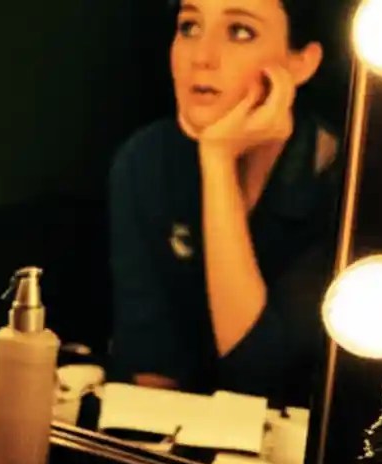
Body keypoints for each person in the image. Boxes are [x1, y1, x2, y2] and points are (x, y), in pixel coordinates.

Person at [108, 0, 342, 407]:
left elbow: (258, 376)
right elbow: (150, 374)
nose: (202, 56)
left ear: (301, 63)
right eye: (190, 26)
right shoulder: (148, 161)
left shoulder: (341, 184)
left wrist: (217, 162)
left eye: (239, 31)